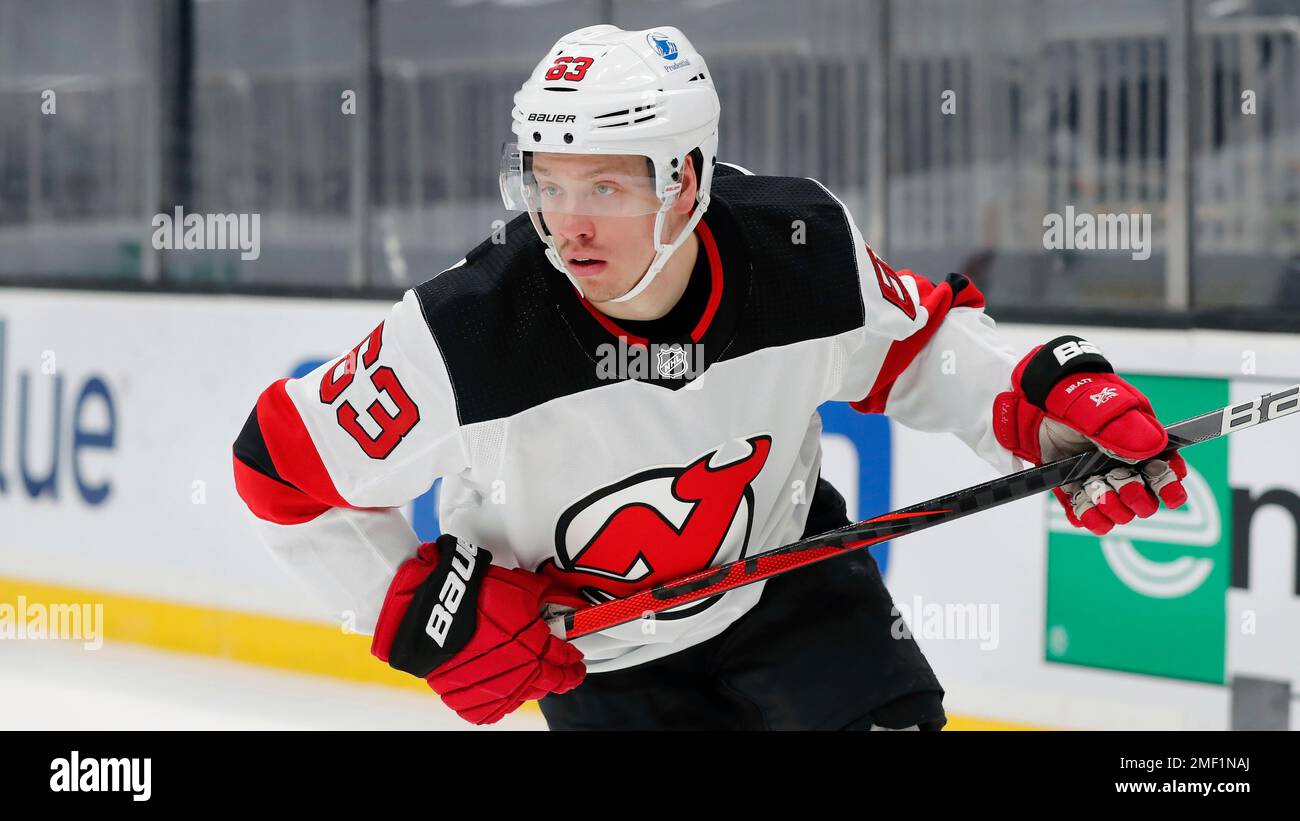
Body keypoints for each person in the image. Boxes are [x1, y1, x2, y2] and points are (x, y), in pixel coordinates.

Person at [232, 24, 1188, 730]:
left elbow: (910, 348)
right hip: (600, 661)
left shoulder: (797, 247)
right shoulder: (466, 329)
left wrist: (1034, 410)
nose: (567, 224)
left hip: (796, 587)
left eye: (605, 187)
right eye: (548, 183)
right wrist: (415, 605)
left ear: (684, 179)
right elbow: (276, 468)